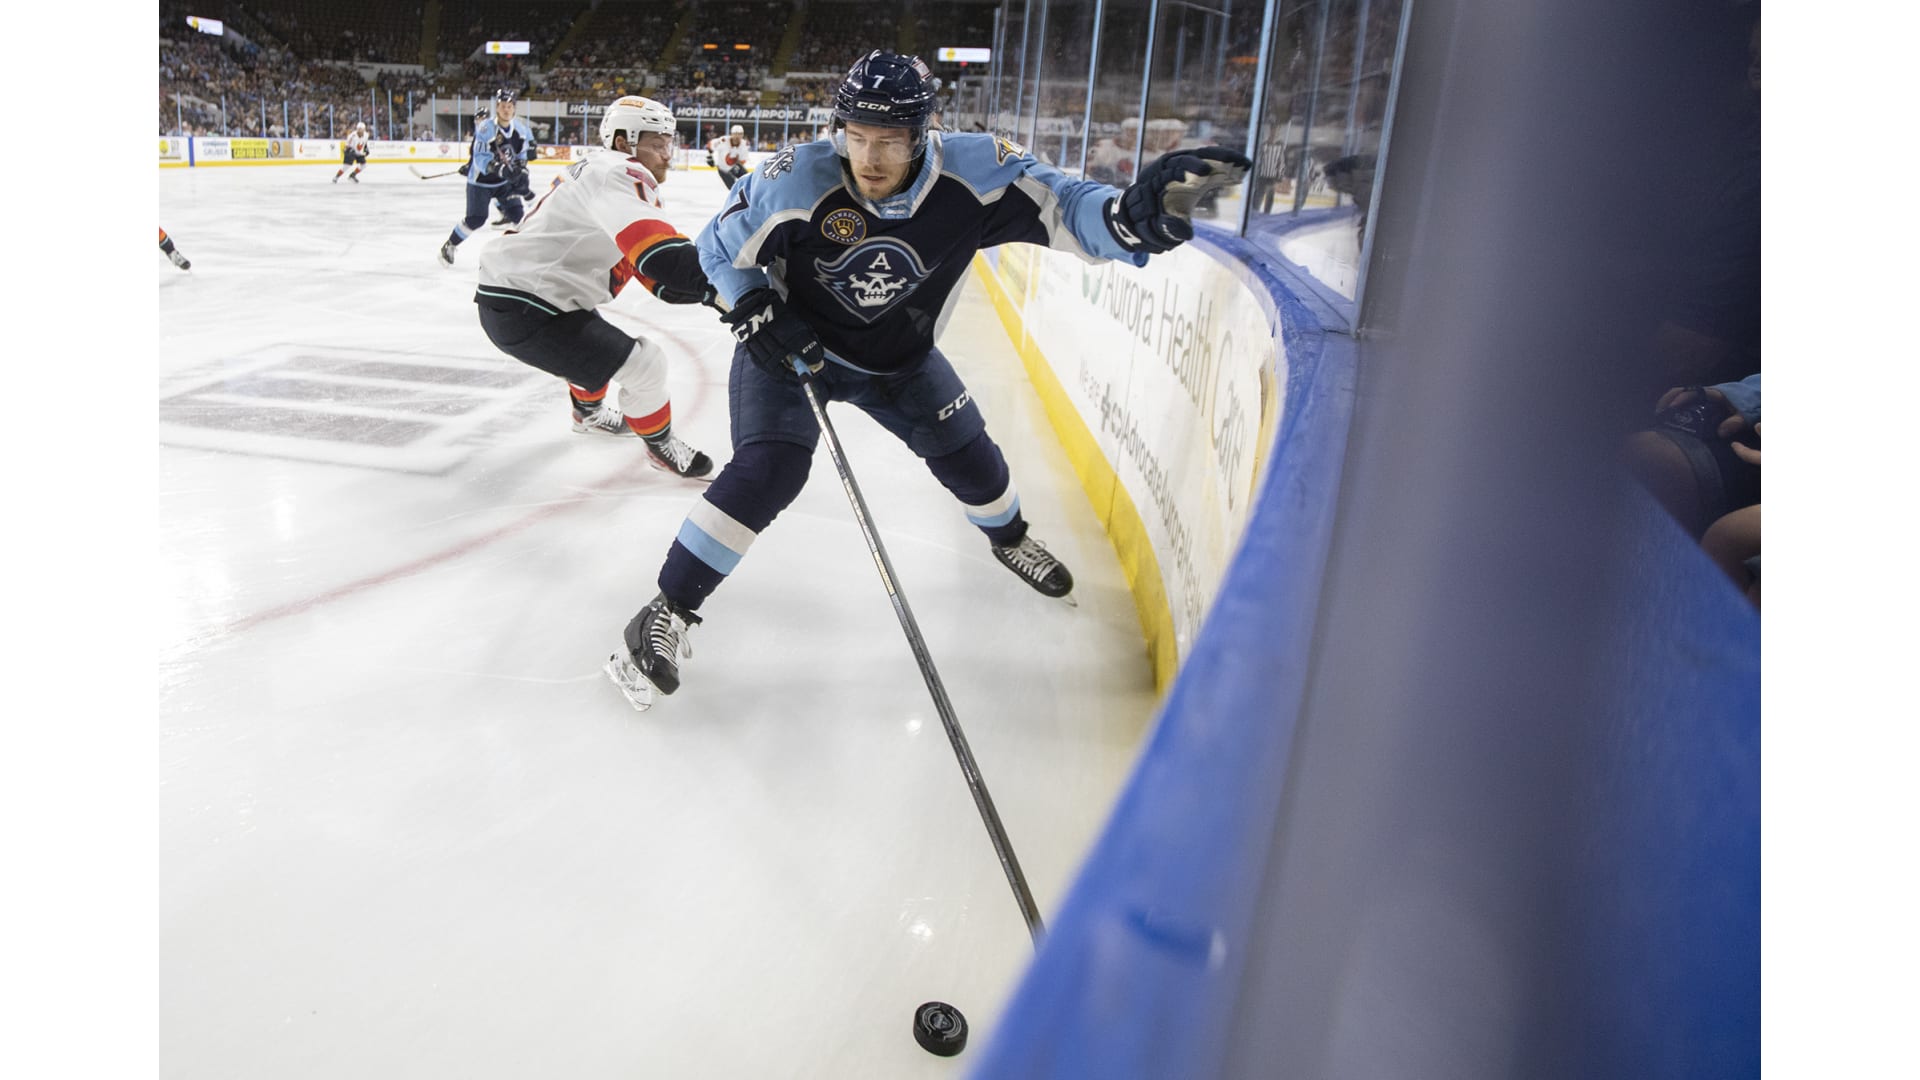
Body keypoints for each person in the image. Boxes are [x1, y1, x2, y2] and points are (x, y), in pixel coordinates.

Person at [604, 49, 1251, 710]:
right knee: (770, 469)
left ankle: (1011, 541)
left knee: (974, 461)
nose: (870, 158)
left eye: (889, 140)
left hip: (900, 362)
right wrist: (750, 305)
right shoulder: (794, 178)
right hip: (794, 351)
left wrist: (1123, 223)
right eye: (856, 137)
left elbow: (1070, 207)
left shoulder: (978, 171)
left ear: (923, 132)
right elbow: (718, 247)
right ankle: (668, 609)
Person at [472, 95, 716, 479]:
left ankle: (587, 414)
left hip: (526, 295)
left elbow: (651, 272)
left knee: (592, 343)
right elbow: (661, 260)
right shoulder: (620, 173)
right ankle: (660, 444)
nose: (667, 154)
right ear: (623, 141)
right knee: (645, 365)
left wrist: (710, 293)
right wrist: (728, 283)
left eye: (669, 142)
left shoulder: (604, 168)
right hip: (528, 306)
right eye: (657, 143)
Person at [438, 90, 535, 267]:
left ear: (514, 109)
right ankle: (450, 245)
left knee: (518, 216)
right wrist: (500, 169)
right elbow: (480, 158)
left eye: (510, 106)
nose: (506, 110)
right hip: (480, 182)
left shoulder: (520, 129)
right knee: (476, 219)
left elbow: (522, 153)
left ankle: (523, 256)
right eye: (503, 106)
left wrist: (521, 171)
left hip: (503, 184)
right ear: (497, 108)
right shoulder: (485, 129)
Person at [706, 124, 750, 189]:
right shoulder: (723, 141)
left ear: (742, 135)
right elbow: (710, 145)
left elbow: (743, 160)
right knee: (733, 188)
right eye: (735, 134)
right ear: (731, 134)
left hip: (734, 166)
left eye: (740, 134)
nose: (737, 136)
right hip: (723, 169)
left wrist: (737, 166)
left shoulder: (744, 145)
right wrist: (709, 157)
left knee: (749, 181)